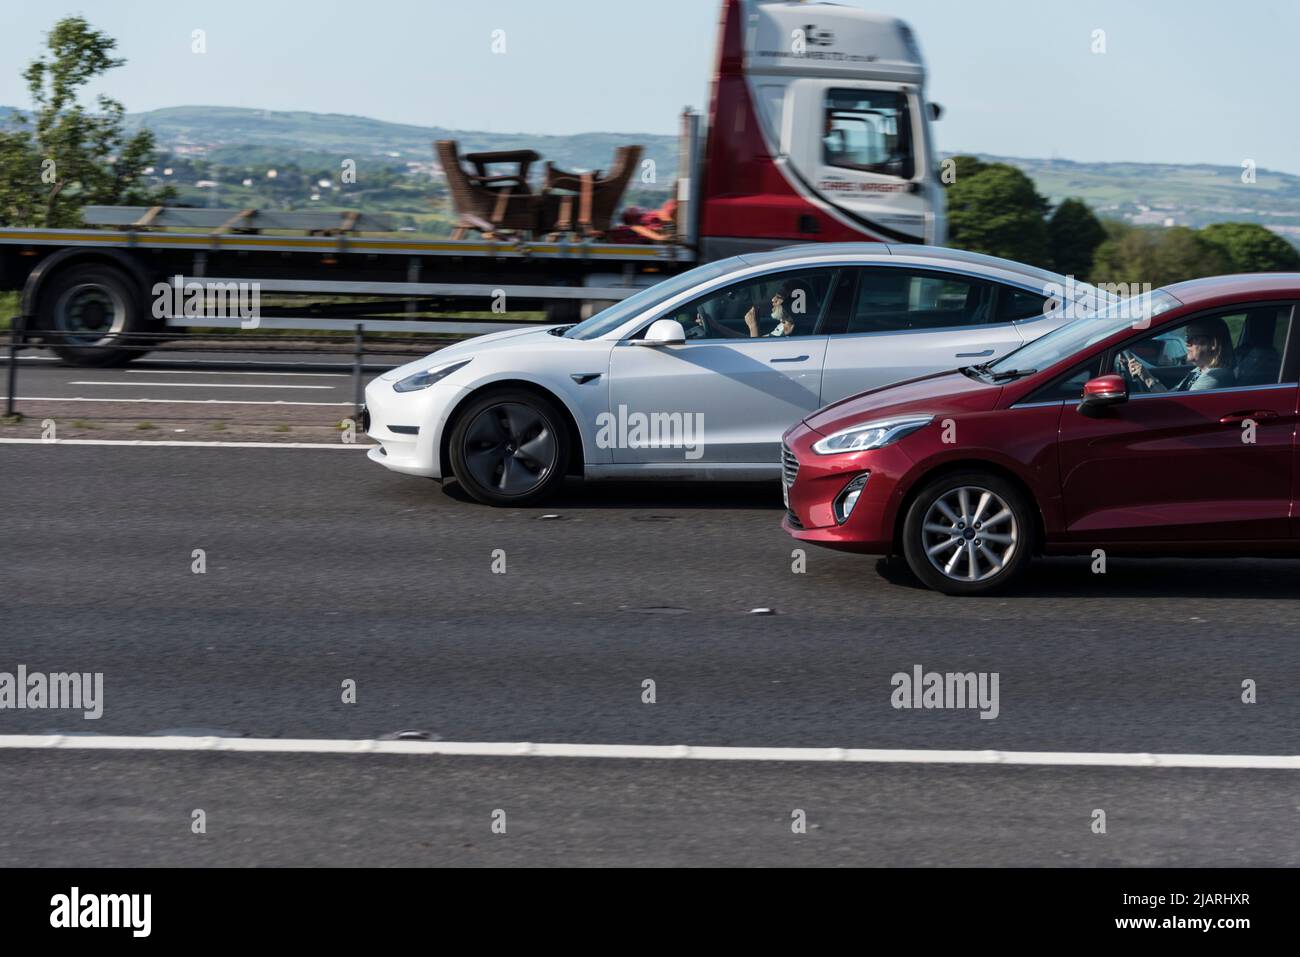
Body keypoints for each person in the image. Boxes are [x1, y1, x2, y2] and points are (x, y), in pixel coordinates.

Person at [1127, 317, 1235, 392]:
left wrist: (1148, 378)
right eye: (1187, 337)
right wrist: (1144, 375)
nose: (1187, 342)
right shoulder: (1198, 371)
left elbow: (1174, 408)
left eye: (1194, 338)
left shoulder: (1215, 377)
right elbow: (1172, 396)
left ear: (1213, 344)